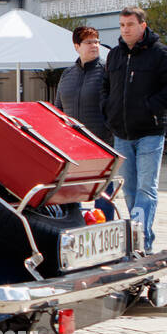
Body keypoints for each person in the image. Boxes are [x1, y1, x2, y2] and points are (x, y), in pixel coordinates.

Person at [100, 6, 167, 253]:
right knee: (128, 189)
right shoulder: (114, 55)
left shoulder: (159, 53)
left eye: (130, 24)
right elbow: (105, 87)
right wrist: (108, 109)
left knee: (146, 188)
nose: (125, 29)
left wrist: (150, 107)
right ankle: (139, 233)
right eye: (122, 25)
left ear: (142, 26)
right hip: (122, 134)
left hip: (150, 132)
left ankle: (142, 241)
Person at [55, 25, 116, 218]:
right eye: (89, 42)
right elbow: (58, 109)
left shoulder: (107, 72)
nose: (95, 46)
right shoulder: (67, 75)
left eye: (96, 41)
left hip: (101, 142)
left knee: (104, 190)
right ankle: (74, 223)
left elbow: (114, 105)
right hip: (73, 145)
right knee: (72, 189)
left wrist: (109, 129)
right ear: (77, 46)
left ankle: (104, 225)